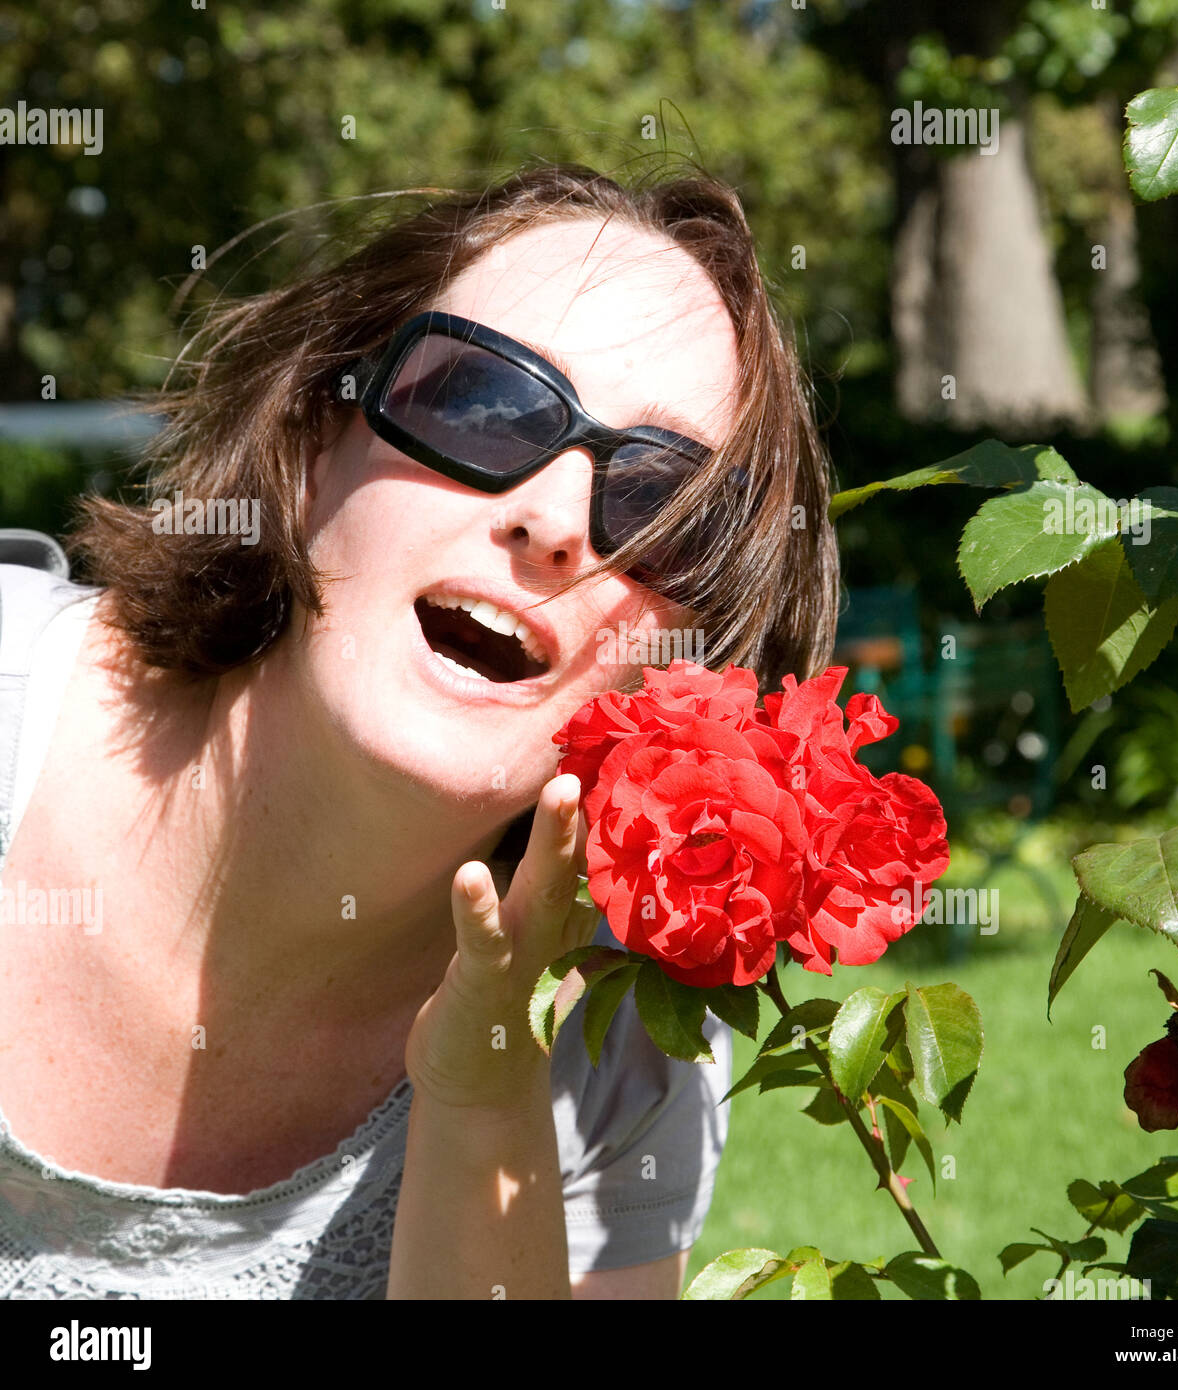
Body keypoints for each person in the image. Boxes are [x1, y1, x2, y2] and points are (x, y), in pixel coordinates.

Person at [0, 162, 839, 1299]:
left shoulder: (619, 1035)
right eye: (483, 403)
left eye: (661, 503)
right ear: (306, 441)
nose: (552, 521)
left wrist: (485, 1086)